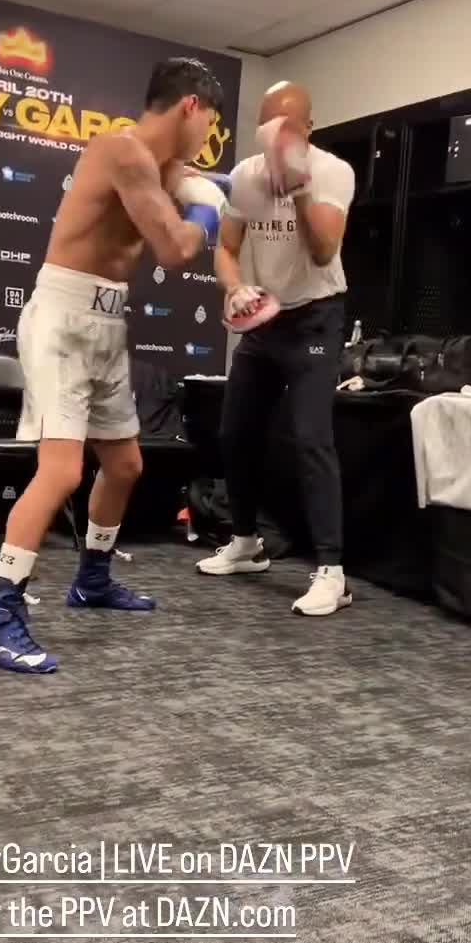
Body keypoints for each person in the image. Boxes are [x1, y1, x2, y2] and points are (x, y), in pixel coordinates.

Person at [0, 57, 226, 673]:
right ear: (190, 106)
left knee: (125, 462)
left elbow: (195, 199)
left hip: (107, 321)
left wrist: (212, 189)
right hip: (62, 318)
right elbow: (174, 248)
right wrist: (209, 205)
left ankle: (92, 579)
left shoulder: (160, 167)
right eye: (211, 121)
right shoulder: (123, 150)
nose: (209, 138)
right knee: (60, 472)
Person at [196, 80, 355, 617]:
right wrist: (235, 287)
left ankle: (333, 572)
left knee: (311, 437)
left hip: (316, 317)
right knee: (235, 431)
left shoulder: (334, 172)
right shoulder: (244, 176)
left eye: (285, 127)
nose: (273, 137)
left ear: (307, 128)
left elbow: (324, 248)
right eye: (266, 127)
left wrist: (300, 186)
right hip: (264, 318)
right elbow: (228, 249)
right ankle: (246, 543)